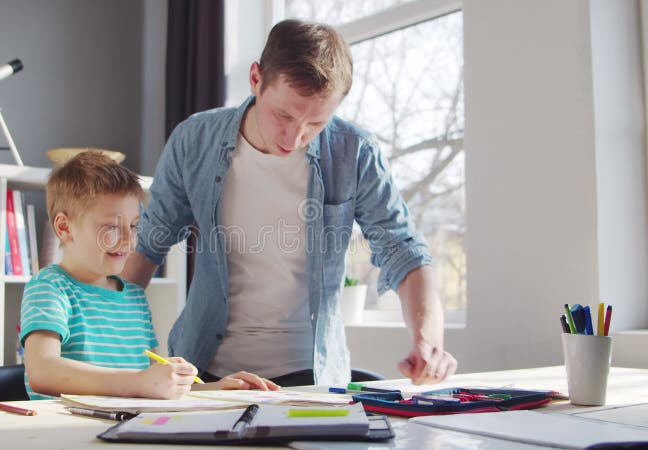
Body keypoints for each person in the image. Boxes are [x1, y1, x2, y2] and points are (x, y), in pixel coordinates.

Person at [122, 19, 457, 386]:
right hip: (203, 372)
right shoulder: (194, 139)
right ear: (255, 79)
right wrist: (103, 340)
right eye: (283, 115)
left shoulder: (355, 151)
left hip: (312, 375)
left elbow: (404, 250)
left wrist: (428, 343)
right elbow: (150, 242)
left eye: (315, 123)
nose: (294, 137)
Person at [20, 151, 278, 400]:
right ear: (65, 228)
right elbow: (42, 372)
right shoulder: (51, 287)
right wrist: (139, 382)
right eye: (111, 227)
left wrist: (216, 389)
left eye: (133, 226)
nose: (127, 240)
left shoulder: (133, 296)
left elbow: (149, 384)